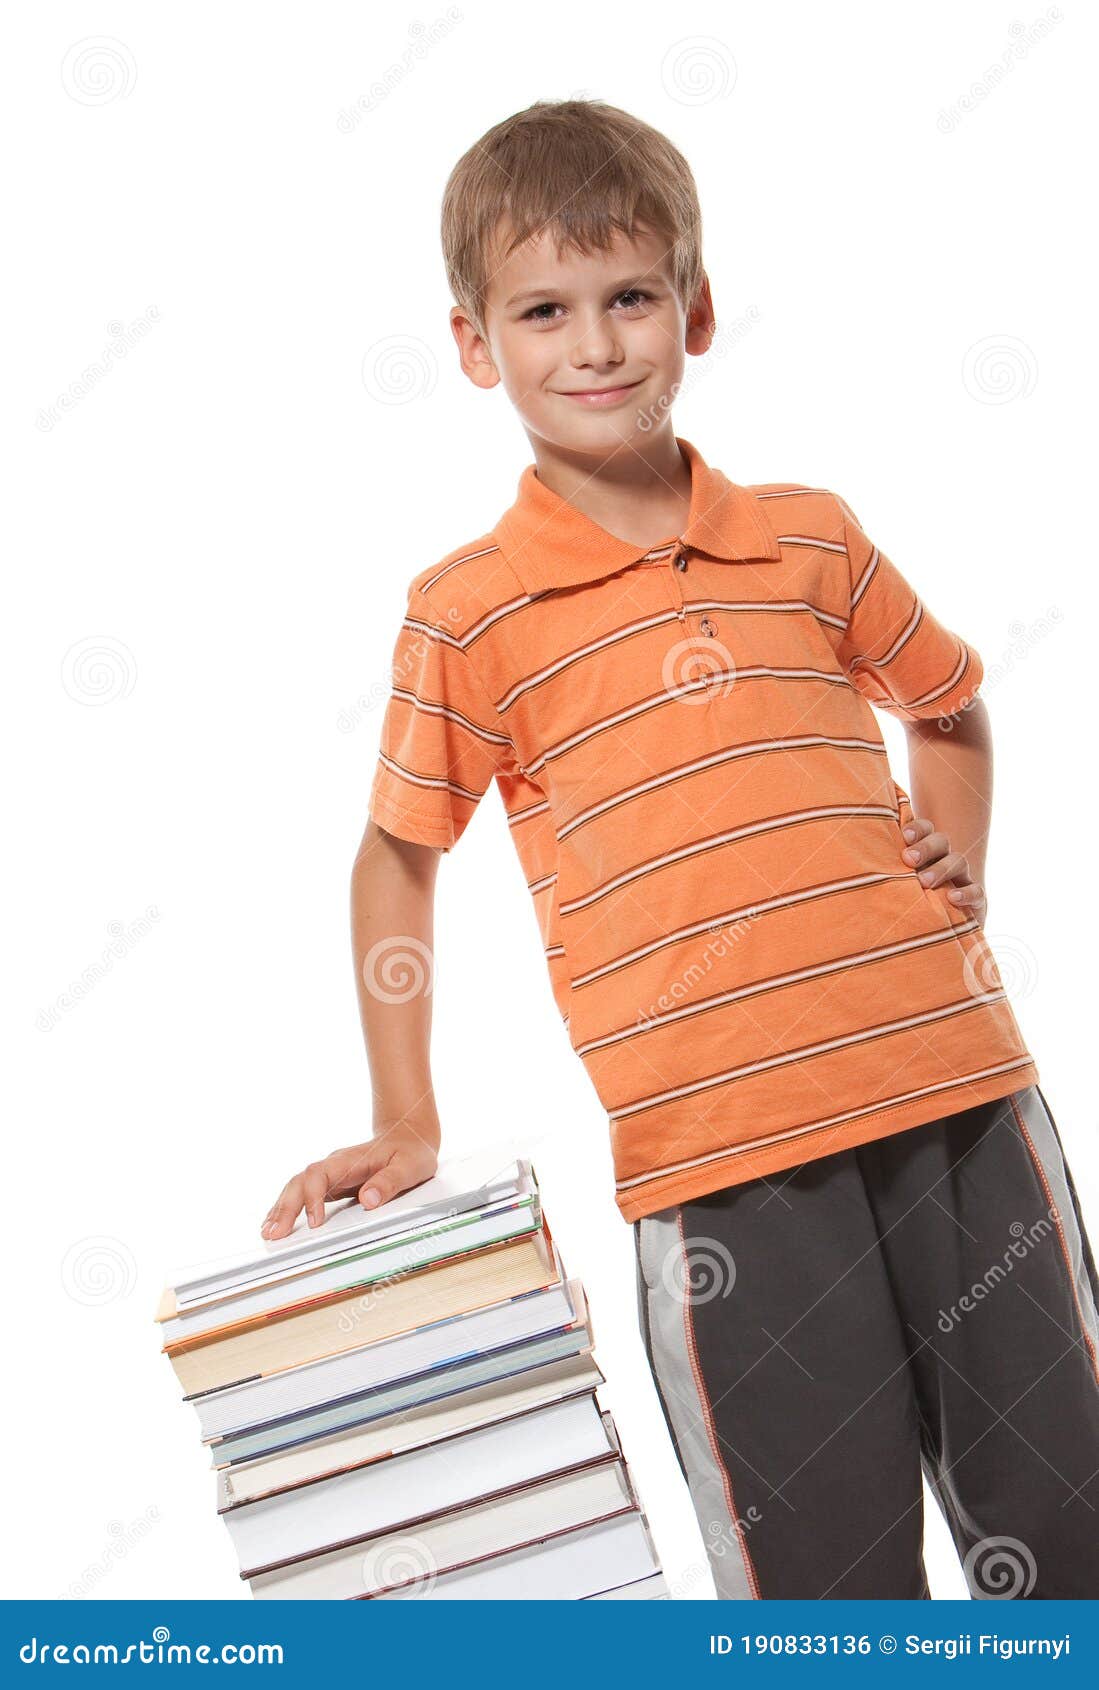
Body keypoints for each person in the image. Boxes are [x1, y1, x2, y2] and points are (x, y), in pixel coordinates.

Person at [259, 98, 1099, 1599]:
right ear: (474, 345)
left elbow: (952, 703)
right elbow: (397, 852)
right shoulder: (471, 609)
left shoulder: (811, 537)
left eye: (631, 297)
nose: (595, 344)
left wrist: (953, 871)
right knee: (821, 1590)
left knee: (1073, 1535)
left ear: (696, 311)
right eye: (544, 310)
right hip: (722, 1170)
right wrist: (408, 1113)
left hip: (965, 1100)